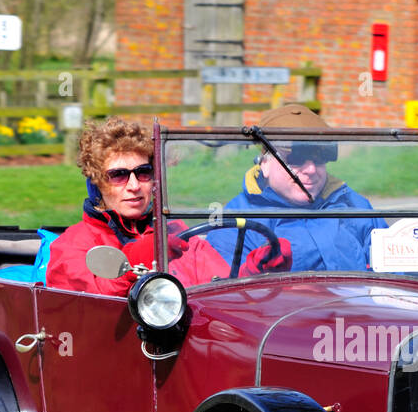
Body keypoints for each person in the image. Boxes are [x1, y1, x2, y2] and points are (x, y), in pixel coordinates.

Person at [47, 117, 290, 295]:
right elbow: (92, 300)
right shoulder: (72, 245)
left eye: (143, 173)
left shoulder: (177, 234)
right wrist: (141, 259)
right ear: (97, 183)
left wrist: (255, 272)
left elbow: (216, 293)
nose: (134, 185)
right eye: (118, 175)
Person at [207, 104, 382, 272]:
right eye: (296, 158)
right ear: (265, 163)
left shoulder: (354, 206)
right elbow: (230, 295)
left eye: (320, 157)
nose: (311, 169)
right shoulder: (235, 224)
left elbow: (394, 271)